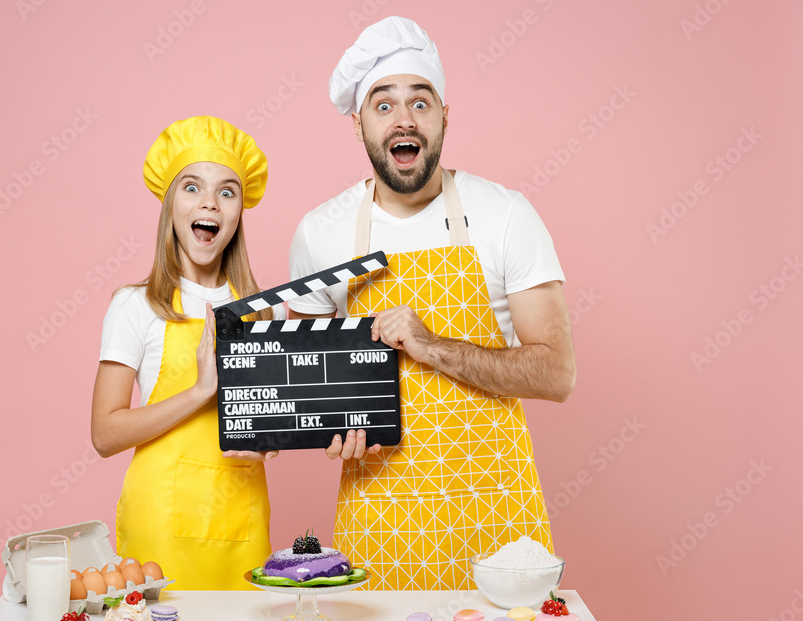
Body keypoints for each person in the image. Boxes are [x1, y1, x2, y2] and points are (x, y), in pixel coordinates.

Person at [288, 17, 576, 591]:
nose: (403, 119)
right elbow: (306, 386)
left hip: (499, 521)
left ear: (444, 115)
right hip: (382, 517)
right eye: (383, 103)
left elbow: (556, 373)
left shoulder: (505, 215)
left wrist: (430, 346)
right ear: (358, 123)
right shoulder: (320, 234)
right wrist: (327, 424)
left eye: (420, 101)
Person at [91, 116, 280, 591]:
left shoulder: (262, 313)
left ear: (238, 212)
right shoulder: (135, 305)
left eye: (227, 192)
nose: (209, 204)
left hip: (241, 520)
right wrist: (200, 391)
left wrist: (273, 434)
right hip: (161, 528)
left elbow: (269, 423)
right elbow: (105, 433)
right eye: (192, 187)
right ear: (170, 203)